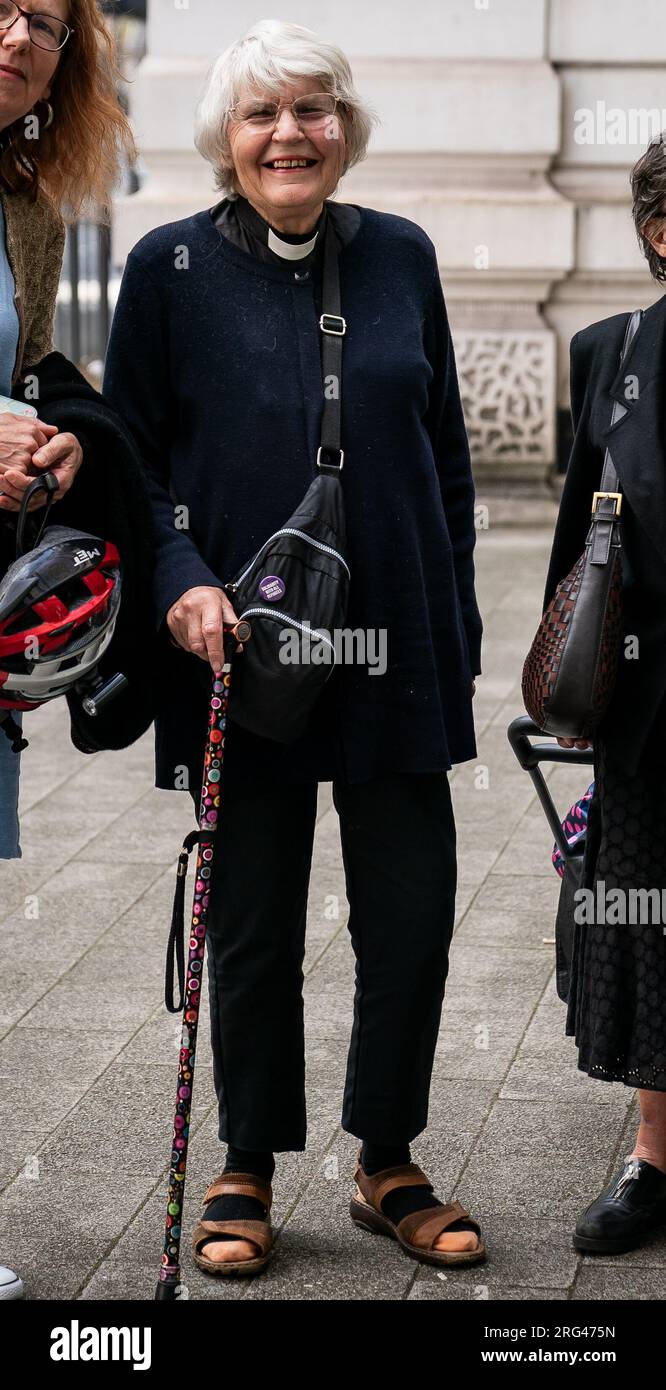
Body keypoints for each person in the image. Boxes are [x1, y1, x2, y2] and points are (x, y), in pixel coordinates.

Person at [104, 18, 485, 1276]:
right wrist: (177, 577)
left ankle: (388, 1157)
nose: (289, 134)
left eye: (313, 109)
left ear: (344, 129)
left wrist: (456, 630)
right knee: (255, 921)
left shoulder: (401, 255)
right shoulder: (167, 270)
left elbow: (443, 451)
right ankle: (248, 1160)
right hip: (239, 649)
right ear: (227, 137)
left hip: (396, 643)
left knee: (411, 915)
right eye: (262, 113)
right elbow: (132, 463)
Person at [0, 0, 135, 1297]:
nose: (16, 35)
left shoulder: (26, 209)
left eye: (43, 19)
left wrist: (63, 440)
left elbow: (37, 376)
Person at [543, 133, 666, 1255]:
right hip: (651, 705)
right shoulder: (609, 352)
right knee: (648, 926)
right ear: (662, 234)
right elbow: (581, 538)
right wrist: (569, 687)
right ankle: (654, 1159)